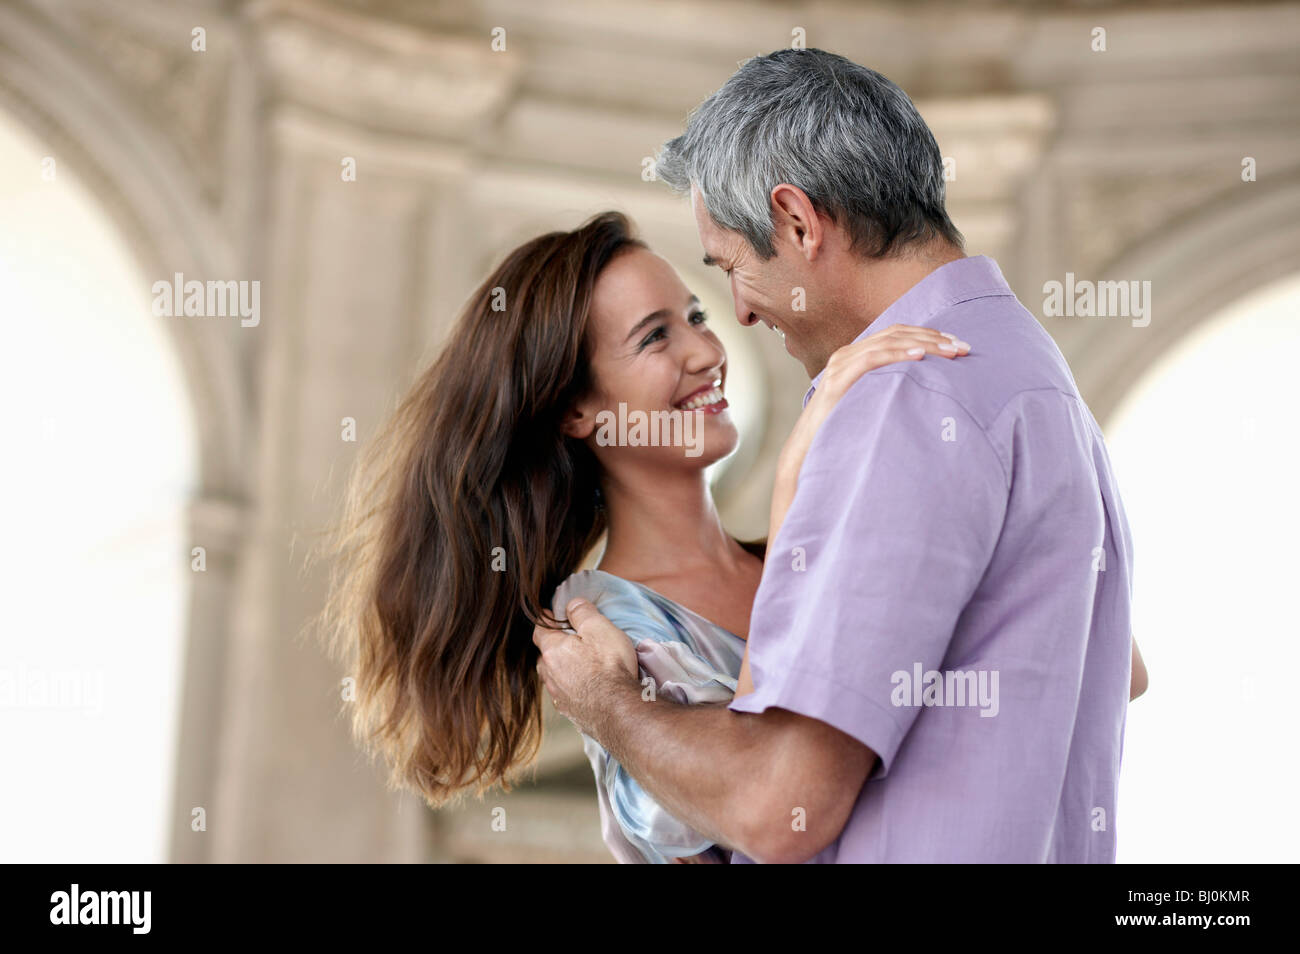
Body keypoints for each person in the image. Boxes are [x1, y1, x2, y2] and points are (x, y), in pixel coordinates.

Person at [533, 48, 1147, 864]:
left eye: (728, 272)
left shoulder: (900, 398)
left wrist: (605, 704)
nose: (739, 321)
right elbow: (1120, 669)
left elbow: (773, 807)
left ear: (796, 223)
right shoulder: (1031, 372)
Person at [317, 207, 965, 863]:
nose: (707, 353)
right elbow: (758, 805)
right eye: (656, 338)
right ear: (577, 409)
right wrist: (796, 475)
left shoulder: (793, 554)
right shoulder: (605, 629)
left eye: (697, 318)